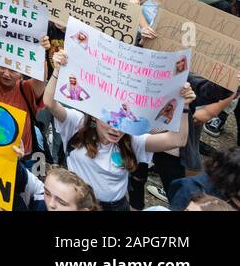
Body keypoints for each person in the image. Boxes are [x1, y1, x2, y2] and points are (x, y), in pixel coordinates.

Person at [44, 47, 195, 209]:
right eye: (110, 121)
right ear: (95, 115)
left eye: (124, 122)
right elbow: (49, 103)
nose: (117, 129)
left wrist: (184, 106)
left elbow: (177, 139)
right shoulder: (77, 124)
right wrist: (57, 71)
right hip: (78, 205)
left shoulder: (133, 140)